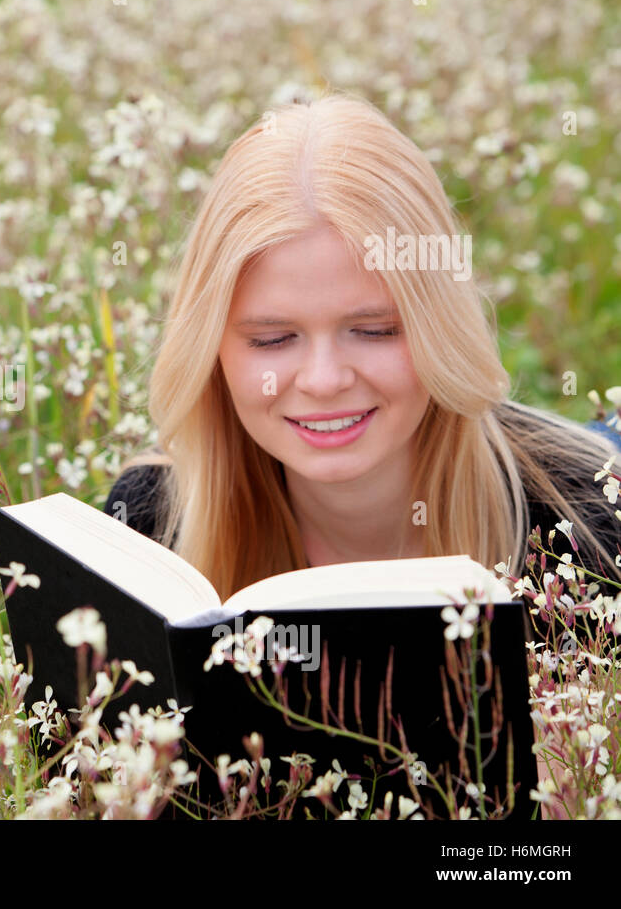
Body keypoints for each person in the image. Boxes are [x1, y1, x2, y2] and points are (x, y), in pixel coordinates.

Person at [101, 91, 621, 816]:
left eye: (374, 330)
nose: (321, 381)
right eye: (272, 340)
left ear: (439, 325)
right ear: (212, 350)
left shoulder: (586, 526)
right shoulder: (147, 532)